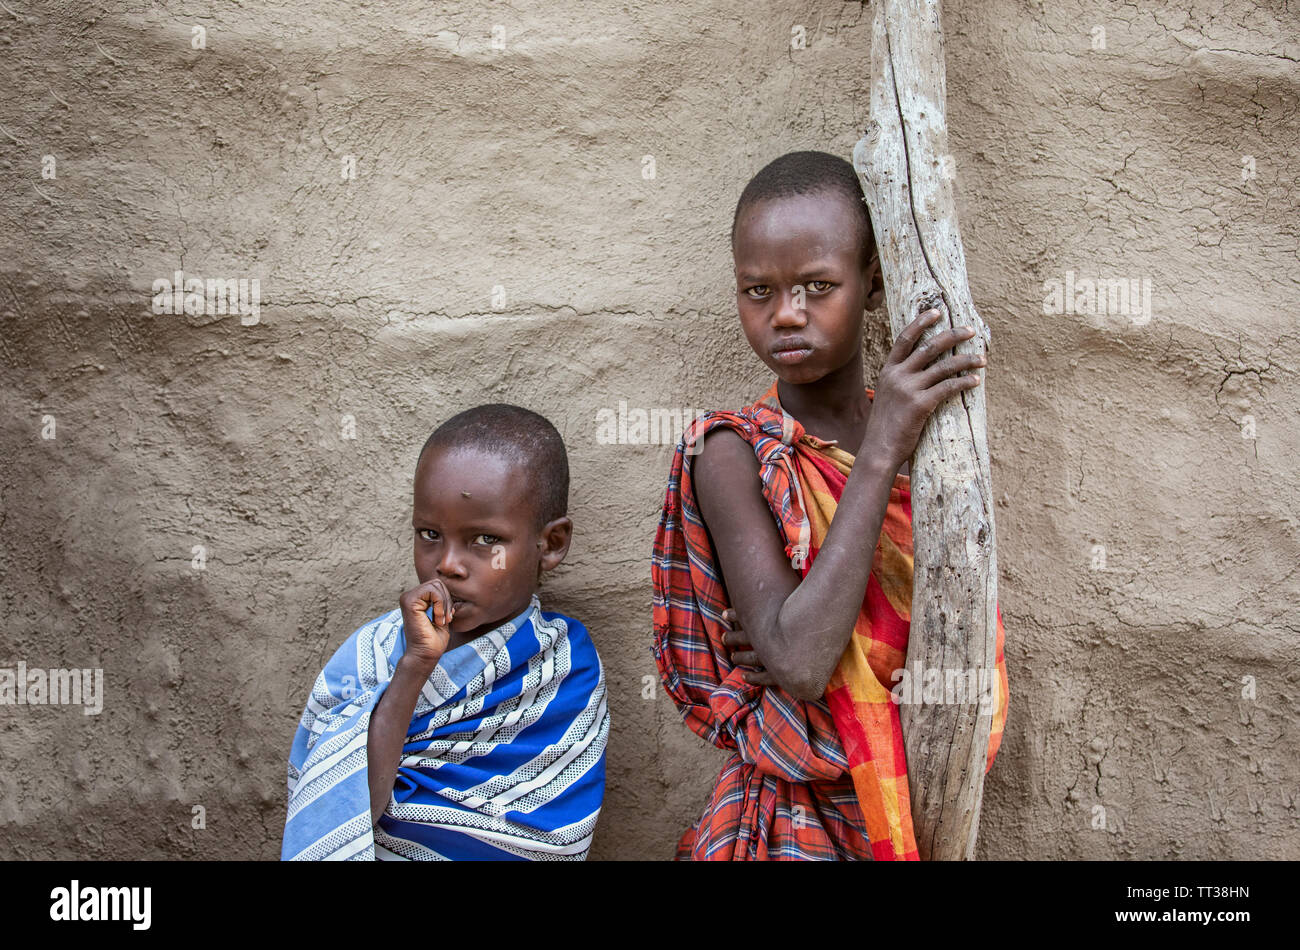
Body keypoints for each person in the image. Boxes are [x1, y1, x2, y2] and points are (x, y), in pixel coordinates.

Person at [652, 151, 1008, 860]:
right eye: (759, 290)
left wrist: (811, 628)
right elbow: (805, 660)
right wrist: (881, 448)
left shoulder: (932, 445)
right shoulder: (731, 452)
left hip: (920, 790)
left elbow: (957, 624)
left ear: (872, 282)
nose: (787, 315)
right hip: (786, 824)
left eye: (819, 285)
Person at [282, 404, 609, 860]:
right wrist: (415, 666)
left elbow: (554, 838)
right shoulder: (372, 654)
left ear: (550, 544)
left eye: (484, 540)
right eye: (429, 533)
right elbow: (344, 809)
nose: (447, 564)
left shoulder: (561, 665)